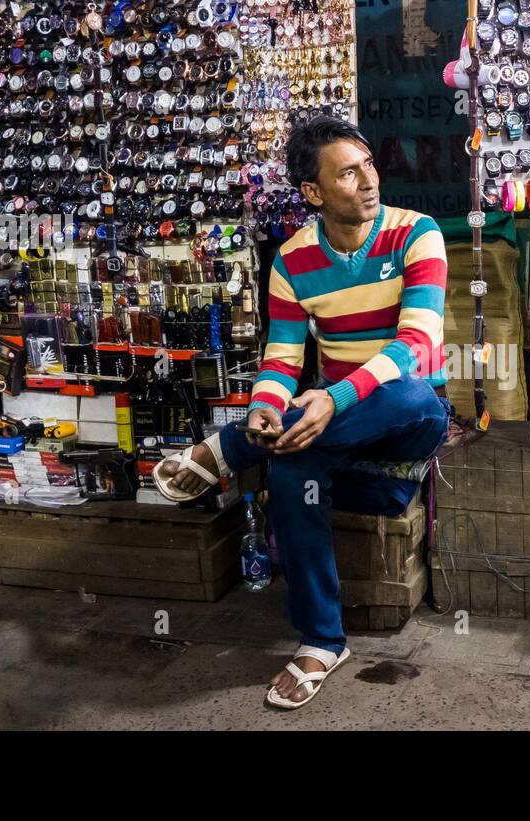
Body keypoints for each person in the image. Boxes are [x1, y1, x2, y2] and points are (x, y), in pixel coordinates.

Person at [156, 116, 450, 709]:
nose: (369, 181)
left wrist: (334, 396)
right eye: (349, 172)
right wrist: (267, 407)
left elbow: (419, 342)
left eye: (369, 164)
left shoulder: (417, 233)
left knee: (413, 392)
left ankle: (231, 449)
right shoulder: (292, 261)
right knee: (292, 470)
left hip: (402, 420)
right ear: (313, 193)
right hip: (330, 426)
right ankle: (322, 639)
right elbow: (283, 360)